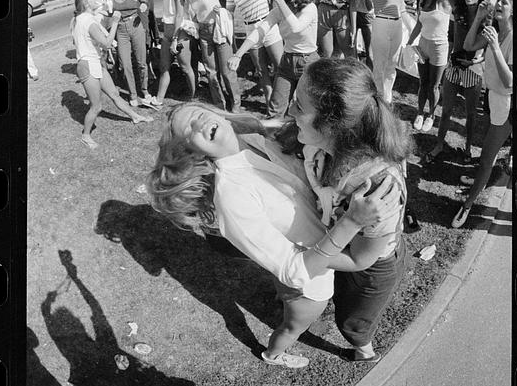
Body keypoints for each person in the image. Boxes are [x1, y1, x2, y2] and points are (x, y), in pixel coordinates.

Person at [146, 101, 399, 368]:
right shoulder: (231, 196)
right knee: (293, 326)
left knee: (282, 281)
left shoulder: (255, 141)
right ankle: (273, 355)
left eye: (200, 114)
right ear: (193, 153)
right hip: (310, 282)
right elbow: (293, 270)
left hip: (320, 250)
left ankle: (282, 297)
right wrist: (352, 222)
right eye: (190, 129)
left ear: (220, 116)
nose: (200, 122)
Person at [283, 58, 412, 362]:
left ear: (332, 124)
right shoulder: (329, 142)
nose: (290, 111)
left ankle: (364, 352)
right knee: (338, 293)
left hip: (371, 268)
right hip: (343, 245)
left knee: (352, 319)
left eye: (299, 106)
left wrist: (296, 260)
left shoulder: (379, 188)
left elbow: (361, 259)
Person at [451, 0, 513, 228]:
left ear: (513, 10)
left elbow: (509, 82)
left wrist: (495, 47)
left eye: (504, 3)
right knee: (487, 150)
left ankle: (467, 206)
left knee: (487, 157)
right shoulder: (495, 30)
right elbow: (468, 45)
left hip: (505, 104)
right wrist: (478, 17)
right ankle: (479, 180)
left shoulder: (513, 37)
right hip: (491, 97)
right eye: (498, 2)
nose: (499, 6)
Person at [425, 0, 488, 164]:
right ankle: (439, 145)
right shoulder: (457, 6)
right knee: (446, 111)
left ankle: (468, 149)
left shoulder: (486, 15)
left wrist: (476, 62)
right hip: (453, 67)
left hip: (473, 70)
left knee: (471, 115)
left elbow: (489, 49)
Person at [227, 0, 318, 117]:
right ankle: (273, 130)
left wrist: (279, 0)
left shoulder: (310, 8)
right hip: (287, 62)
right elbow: (259, 32)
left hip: (307, 62)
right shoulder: (278, 11)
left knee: (306, 110)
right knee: (275, 109)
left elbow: (296, 27)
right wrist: (238, 55)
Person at [70, 0, 152, 148]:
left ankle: (135, 116)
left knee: (114, 93)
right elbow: (107, 43)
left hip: (94, 63)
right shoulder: (87, 21)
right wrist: (115, 22)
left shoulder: (82, 18)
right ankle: (86, 135)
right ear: (86, 3)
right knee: (96, 106)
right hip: (88, 66)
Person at [178, 0, 241, 112]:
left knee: (227, 71)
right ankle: (219, 105)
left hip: (218, 29)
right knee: (211, 72)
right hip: (204, 34)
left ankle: (236, 105)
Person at [406, 0, 452, 133]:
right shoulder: (423, 0)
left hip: (439, 48)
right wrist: (409, 42)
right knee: (422, 83)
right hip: (423, 45)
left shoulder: (445, 0)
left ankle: (431, 115)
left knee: (434, 85)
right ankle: (420, 113)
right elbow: (419, 24)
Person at [110, 0, 161, 110]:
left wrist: (143, 5)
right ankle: (132, 94)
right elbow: (108, 11)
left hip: (136, 26)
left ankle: (144, 90)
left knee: (141, 62)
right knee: (125, 64)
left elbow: (144, 2)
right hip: (121, 30)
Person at [369, 0, 409, 104]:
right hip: (381, 23)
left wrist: (413, 31)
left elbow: (403, 10)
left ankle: (387, 98)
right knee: (379, 65)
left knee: (392, 65)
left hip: (397, 26)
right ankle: (378, 98)